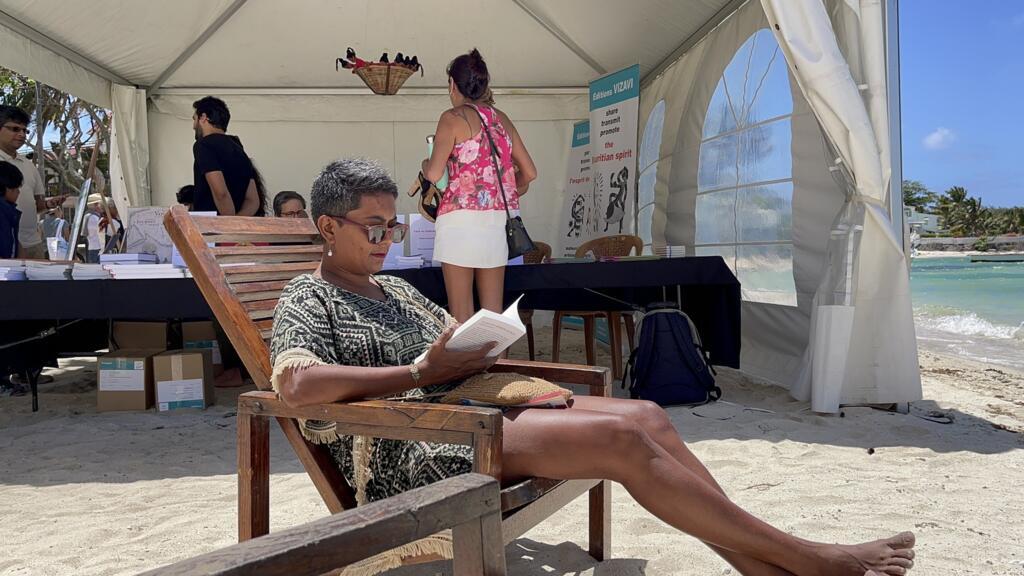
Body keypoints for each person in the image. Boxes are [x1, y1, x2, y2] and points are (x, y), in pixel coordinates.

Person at [270, 158, 917, 576]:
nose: (386, 241)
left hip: (463, 410)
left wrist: (478, 348)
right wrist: (418, 372)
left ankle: (763, 567)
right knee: (616, 439)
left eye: (392, 228)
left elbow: (446, 354)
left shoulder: (399, 290)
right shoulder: (310, 295)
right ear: (328, 226)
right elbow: (295, 385)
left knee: (644, 415)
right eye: (371, 228)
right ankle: (809, 559)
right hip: (411, 449)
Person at [420, 49, 537, 322]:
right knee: (492, 314)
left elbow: (435, 174)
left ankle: (467, 365)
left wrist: (426, 166)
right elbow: (530, 172)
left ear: (452, 84)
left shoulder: (452, 118)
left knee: (461, 313)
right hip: (496, 221)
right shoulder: (501, 119)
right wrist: (506, 189)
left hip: (459, 221)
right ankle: (496, 363)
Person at [0, 105, 66, 259]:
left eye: (25, 130)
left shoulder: (28, 164)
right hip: (5, 244)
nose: (22, 134)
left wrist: (49, 204)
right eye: (15, 129)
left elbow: (37, 204)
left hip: (33, 243)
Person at [191, 96, 261, 216]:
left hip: (211, 226)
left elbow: (221, 192)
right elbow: (253, 200)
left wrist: (227, 224)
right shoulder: (238, 148)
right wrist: (237, 224)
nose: (193, 126)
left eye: (194, 119)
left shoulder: (204, 145)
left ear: (203, 117)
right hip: (236, 227)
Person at [0, 160, 23, 259]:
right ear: (7, 188)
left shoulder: (9, 212)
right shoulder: (4, 212)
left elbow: (15, 242)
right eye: (16, 188)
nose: (18, 192)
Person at [84, 194, 104, 263]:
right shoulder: (93, 218)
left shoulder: (89, 216)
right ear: (96, 205)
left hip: (93, 247)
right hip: (96, 248)